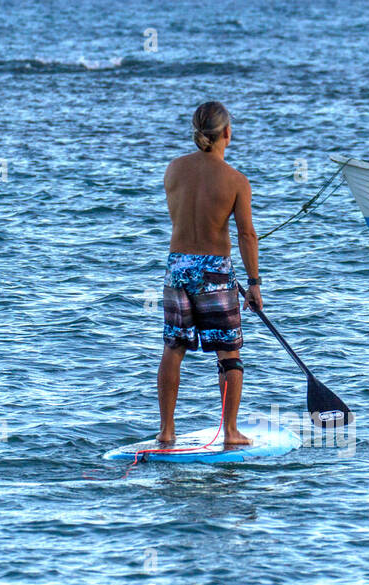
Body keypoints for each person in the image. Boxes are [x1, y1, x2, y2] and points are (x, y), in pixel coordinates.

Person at [158, 101, 261, 446]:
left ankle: (167, 431)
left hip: (178, 267)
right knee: (228, 353)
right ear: (227, 134)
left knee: (174, 348)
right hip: (214, 271)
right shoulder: (236, 181)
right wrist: (253, 284)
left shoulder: (173, 169)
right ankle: (230, 431)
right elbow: (246, 235)